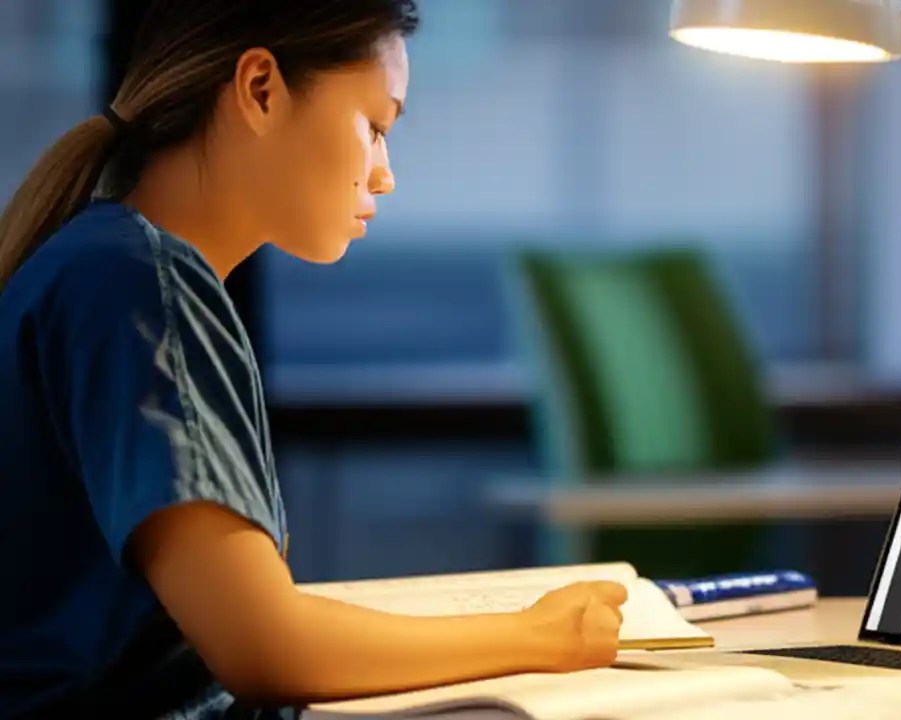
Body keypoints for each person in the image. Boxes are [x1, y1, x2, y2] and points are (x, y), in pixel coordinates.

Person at [0, 2, 626, 717]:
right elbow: (266, 647)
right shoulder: (136, 288)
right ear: (261, 89)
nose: (385, 175)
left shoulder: (113, 265)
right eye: (376, 127)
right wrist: (540, 636)